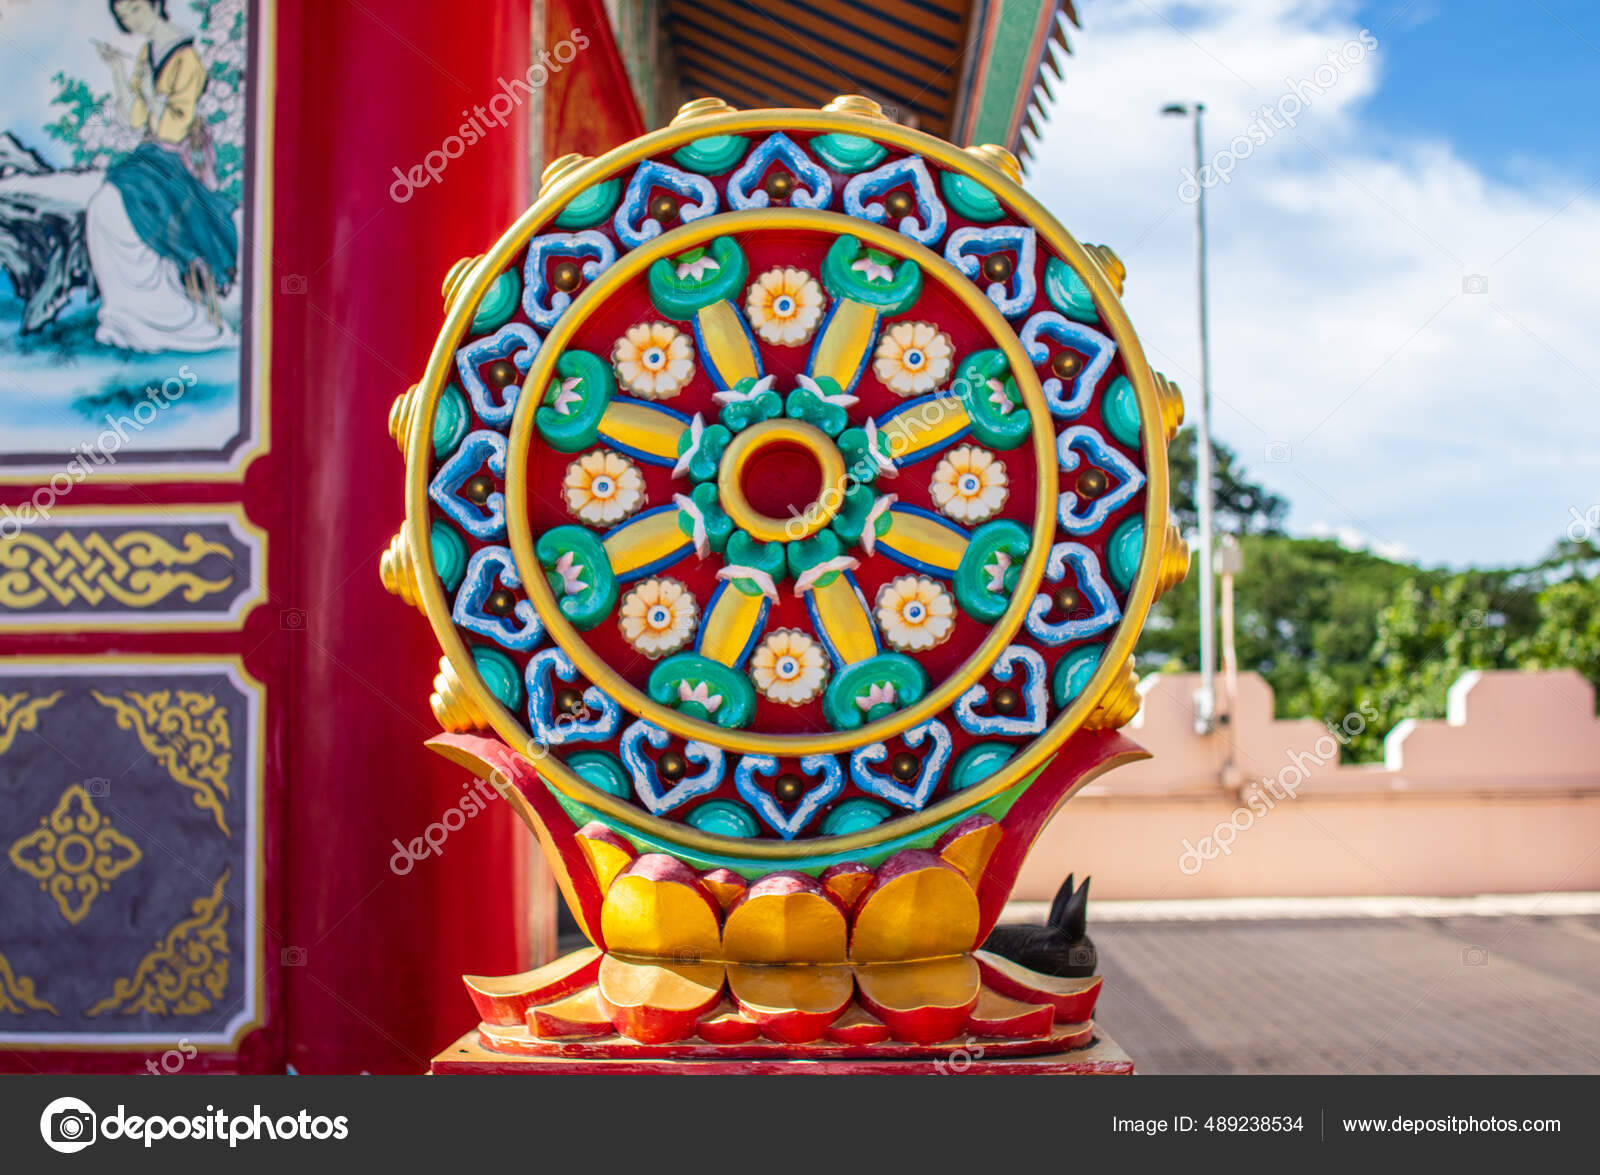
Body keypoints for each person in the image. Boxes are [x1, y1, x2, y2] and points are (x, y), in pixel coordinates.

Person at [85, 0, 239, 352]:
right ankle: (125, 314)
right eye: (124, 16)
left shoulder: (187, 59)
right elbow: (136, 119)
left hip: (177, 158)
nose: (130, 19)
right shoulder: (146, 54)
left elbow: (171, 129)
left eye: (135, 8)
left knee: (115, 201)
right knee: (104, 204)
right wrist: (118, 74)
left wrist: (153, 98)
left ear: (156, 4)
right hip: (152, 155)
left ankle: (169, 317)